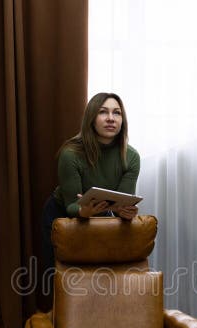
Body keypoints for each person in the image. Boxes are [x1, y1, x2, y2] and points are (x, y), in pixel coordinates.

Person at [39, 92, 141, 302]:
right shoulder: (71, 153)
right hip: (62, 215)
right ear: (91, 118)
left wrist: (125, 212)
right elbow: (71, 206)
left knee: (97, 280)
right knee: (58, 278)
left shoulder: (131, 157)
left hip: (102, 214)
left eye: (117, 113)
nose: (111, 118)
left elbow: (122, 201)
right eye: (103, 112)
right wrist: (82, 211)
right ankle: (55, 326)